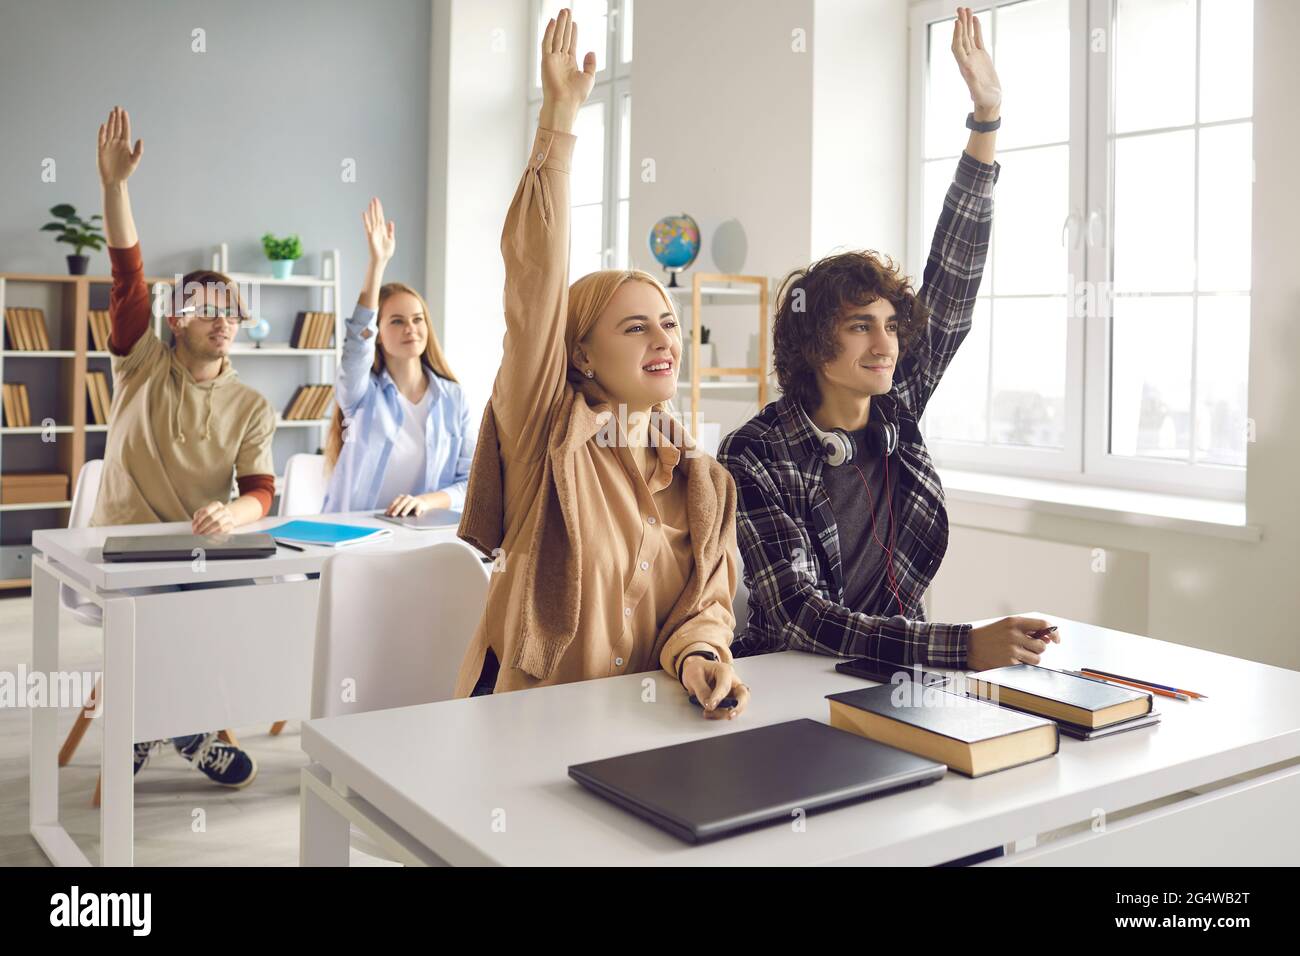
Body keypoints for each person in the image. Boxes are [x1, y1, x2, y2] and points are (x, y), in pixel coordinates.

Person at [718, 8, 1061, 679]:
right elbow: (798, 616)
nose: (886, 343)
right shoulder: (755, 453)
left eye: (891, 325)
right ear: (814, 345)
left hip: (896, 672)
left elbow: (953, 281)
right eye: (859, 326)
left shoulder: (896, 405)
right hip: (787, 680)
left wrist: (985, 119)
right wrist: (963, 646)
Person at [454, 8, 748, 718]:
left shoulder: (704, 482)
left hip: (636, 744)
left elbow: (705, 608)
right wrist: (558, 125)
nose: (664, 340)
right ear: (581, 350)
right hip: (516, 741)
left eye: (670, 325)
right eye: (635, 327)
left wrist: (703, 659)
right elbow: (534, 290)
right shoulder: (543, 436)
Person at [93, 105, 271, 787]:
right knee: (166, 611)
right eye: (205, 306)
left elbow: (259, 491)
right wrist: (116, 187)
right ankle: (185, 729)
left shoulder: (251, 404)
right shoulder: (140, 358)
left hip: (197, 545)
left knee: (241, 603)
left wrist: (236, 516)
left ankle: (154, 725)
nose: (221, 319)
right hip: (122, 543)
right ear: (176, 320)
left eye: (230, 309)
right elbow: (126, 271)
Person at [321, 197, 474, 516]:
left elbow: (470, 480)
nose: (411, 328)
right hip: (354, 537)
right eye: (397, 321)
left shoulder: (453, 398)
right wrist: (377, 264)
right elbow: (356, 345)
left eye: (418, 319)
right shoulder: (360, 395)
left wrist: (426, 501)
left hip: (420, 536)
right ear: (377, 335)